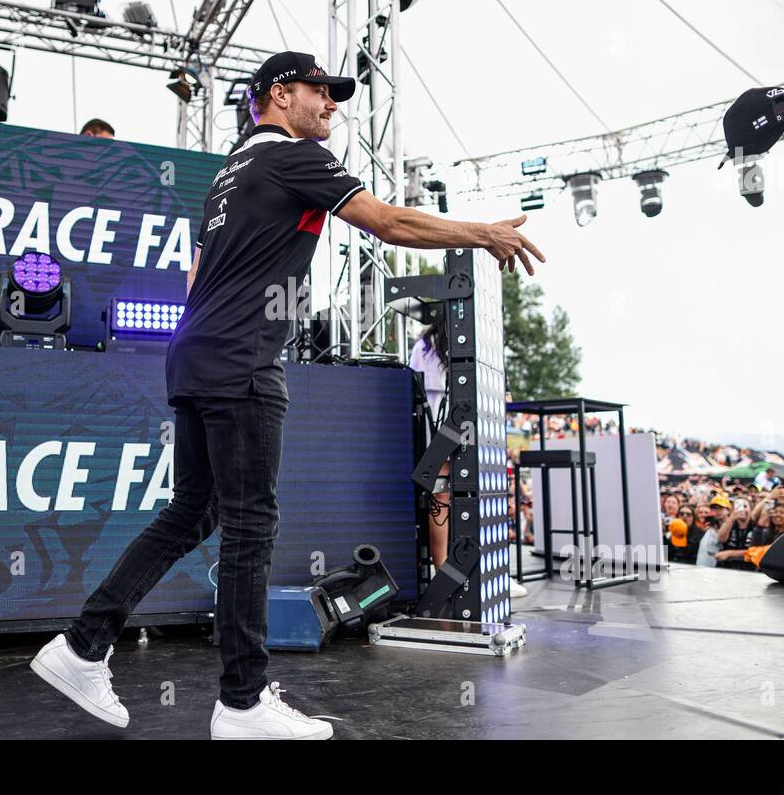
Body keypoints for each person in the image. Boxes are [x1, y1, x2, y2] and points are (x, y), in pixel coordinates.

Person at [31, 50, 546, 739]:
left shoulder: (230, 172)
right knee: (250, 523)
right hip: (242, 361)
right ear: (279, 94)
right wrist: (480, 233)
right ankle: (241, 702)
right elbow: (388, 223)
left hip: (197, 357)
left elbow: (195, 278)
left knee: (195, 512)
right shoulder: (289, 157)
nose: (331, 104)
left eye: (335, 95)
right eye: (319, 92)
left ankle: (82, 644)